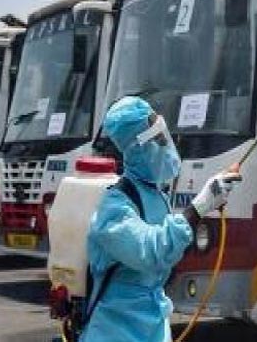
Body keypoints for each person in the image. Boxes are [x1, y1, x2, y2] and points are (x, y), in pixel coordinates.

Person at [82, 97, 240, 342]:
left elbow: (168, 254)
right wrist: (200, 206)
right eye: (157, 139)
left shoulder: (154, 195)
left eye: (164, 135)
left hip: (152, 323)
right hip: (115, 330)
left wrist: (210, 199)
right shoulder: (112, 209)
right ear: (136, 148)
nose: (167, 144)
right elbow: (151, 250)